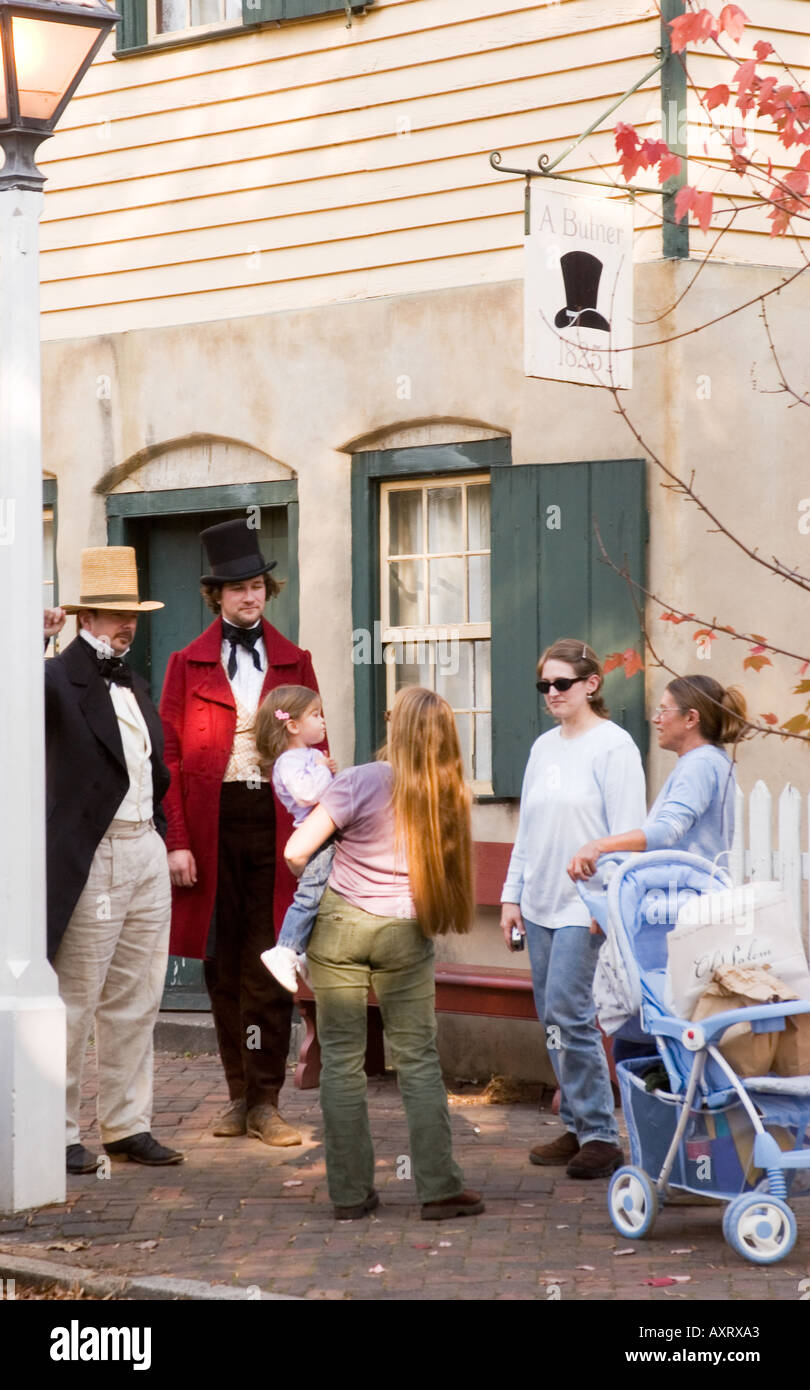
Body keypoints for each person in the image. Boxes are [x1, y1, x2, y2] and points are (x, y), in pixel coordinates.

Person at [284, 686, 485, 1221]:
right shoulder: (448, 791)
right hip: (405, 932)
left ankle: (350, 1195)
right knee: (418, 1059)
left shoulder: (360, 780)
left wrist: (318, 886)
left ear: (395, 726)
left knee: (342, 1060)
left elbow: (297, 850)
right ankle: (439, 1189)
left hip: (341, 928)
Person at [160, 518, 323, 1148]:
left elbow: (315, 748)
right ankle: (236, 1096)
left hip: (276, 826)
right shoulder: (185, 664)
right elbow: (168, 759)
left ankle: (268, 1099)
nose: (248, 597)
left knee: (270, 959)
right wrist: (177, 840)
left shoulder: (295, 659)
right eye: (236, 589)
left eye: (256, 585)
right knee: (220, 960)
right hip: (209, 825)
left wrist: (313, 834)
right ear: (216, 596)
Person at [45, 546, 182, 1174]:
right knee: (76, 998)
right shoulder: (55, 677)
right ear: (84, 618)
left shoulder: (135, 679)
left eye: (131, 615)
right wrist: (30, 646)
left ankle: (128, 1125)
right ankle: (57, 1127)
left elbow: (153, 767)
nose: (125, 625)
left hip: (144, 850)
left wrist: (159, 834)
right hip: (93, 853)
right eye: (111, 614)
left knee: (138, 995)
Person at [499, 638, 646, 1180]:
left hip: (584, 906)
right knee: (552, 1017)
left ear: (591, 684)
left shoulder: (615, 747)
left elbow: (629, 831)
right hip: (538, 902)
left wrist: (605, 903)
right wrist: (512, 895)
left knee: (570, 1011)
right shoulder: (543, 748)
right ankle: (584, 1123)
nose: (553, 694)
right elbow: (528, 829)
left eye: (563, 683)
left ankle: (603, 1136)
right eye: (545, 686)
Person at [567, 673, 747, 1061]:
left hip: (676, 918)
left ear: (691, 718)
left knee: (646, 1038)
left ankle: (658, 1120)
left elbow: (667, 833)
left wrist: (601, 844)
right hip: (687, 915)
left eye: (664, 710)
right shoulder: (710, 763)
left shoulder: (699, 765)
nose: (656, 718)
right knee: (654, 1037)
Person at [254, 685, 337, 993]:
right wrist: (320, 770)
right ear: (292, 725)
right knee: (310, 893)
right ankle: (285, 949)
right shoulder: (289, 761)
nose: (322, 721)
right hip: (314, 836)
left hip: (327, 830)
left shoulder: (311, 755)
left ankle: (304, 954)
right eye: (315, 715)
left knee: (325, 896)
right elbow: (307, 794)